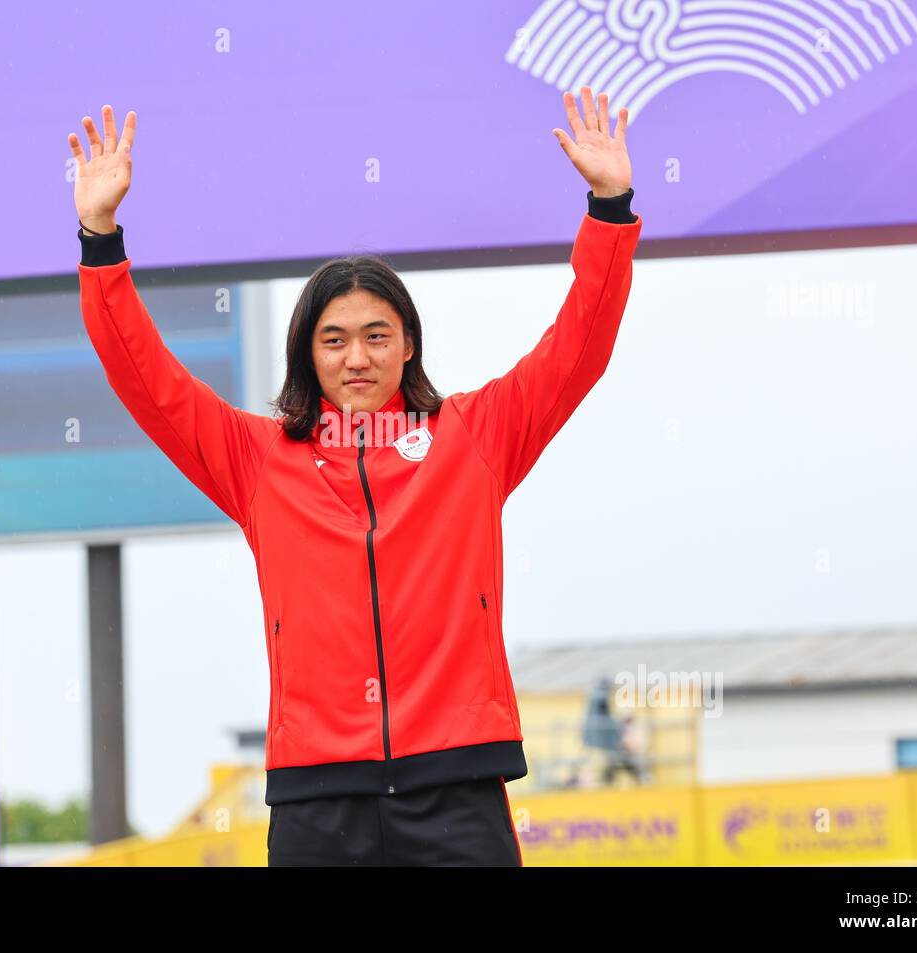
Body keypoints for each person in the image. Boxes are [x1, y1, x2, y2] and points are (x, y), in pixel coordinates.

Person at [69, 88, 641, 866]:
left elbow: (579, 348)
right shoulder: (258, 461)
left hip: (458, 784)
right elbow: (146, 379)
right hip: (317, 798)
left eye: (378, 335)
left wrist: (609, 209)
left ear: (409, 346)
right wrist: (99, 239)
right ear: (309, 353)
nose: (357, 357)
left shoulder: (472, 437)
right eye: (334, 339)